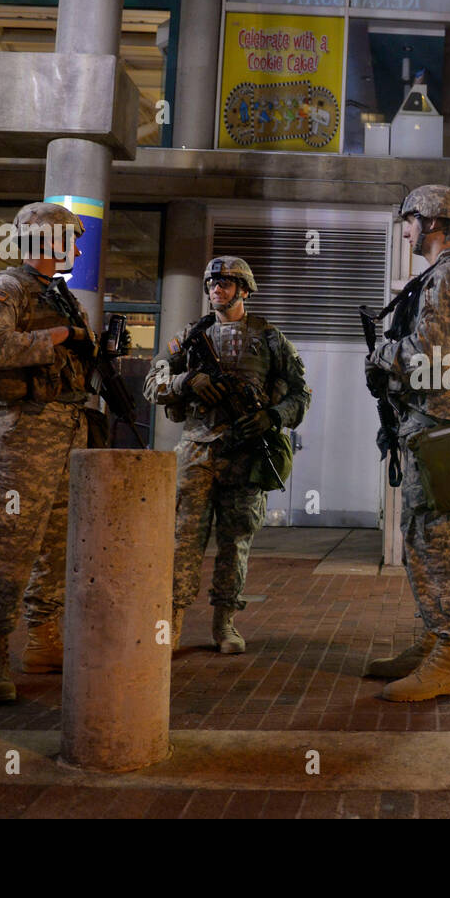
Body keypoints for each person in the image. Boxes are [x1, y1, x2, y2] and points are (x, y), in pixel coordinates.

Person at [0, 201, 127, 703]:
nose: (78, 248)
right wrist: (61, 335)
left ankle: (43, 639)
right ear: (47, 239)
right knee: (10, 550)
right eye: (71, 239)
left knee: (59, 548)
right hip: (21, 438)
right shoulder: (4, 289)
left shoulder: (59, 296)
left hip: (67, 433)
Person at [363, 184, 450, 702]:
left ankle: (448, 659)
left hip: (440, 432)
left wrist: (380, 352)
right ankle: (433, 642)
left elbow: (427, 354)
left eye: (410, 221)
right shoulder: (439, 276)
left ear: (434, 222)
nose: (406, 229)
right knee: (422, 542)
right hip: (426, 432)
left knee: (442, 549)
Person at [143, 256, 310, 653]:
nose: (217, 288)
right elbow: (154, 383)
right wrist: (187, 381)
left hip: (246, 452)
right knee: (184, 539)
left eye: (227, 282)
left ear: (244, 290)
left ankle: (225, 623)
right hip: (197, 451)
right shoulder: (190, 337)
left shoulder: (269, 339)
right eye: (212, 282)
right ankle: (175, 620)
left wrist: (272, 417)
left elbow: (301, 394)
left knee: (235, 541)